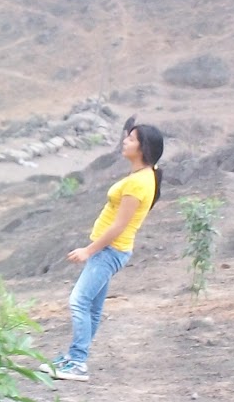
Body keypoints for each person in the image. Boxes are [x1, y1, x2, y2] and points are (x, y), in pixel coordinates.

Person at [45, 121, 165, 383]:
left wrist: (89, 250)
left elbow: (120, 225)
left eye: (131, 139)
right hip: (112, 249)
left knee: (78, 301)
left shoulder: (138, 183)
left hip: (109, 250)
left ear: (143, 148)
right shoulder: (145, 175)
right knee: (92, 307)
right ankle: (74, 357)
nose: (125, 141)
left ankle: (77, 362)